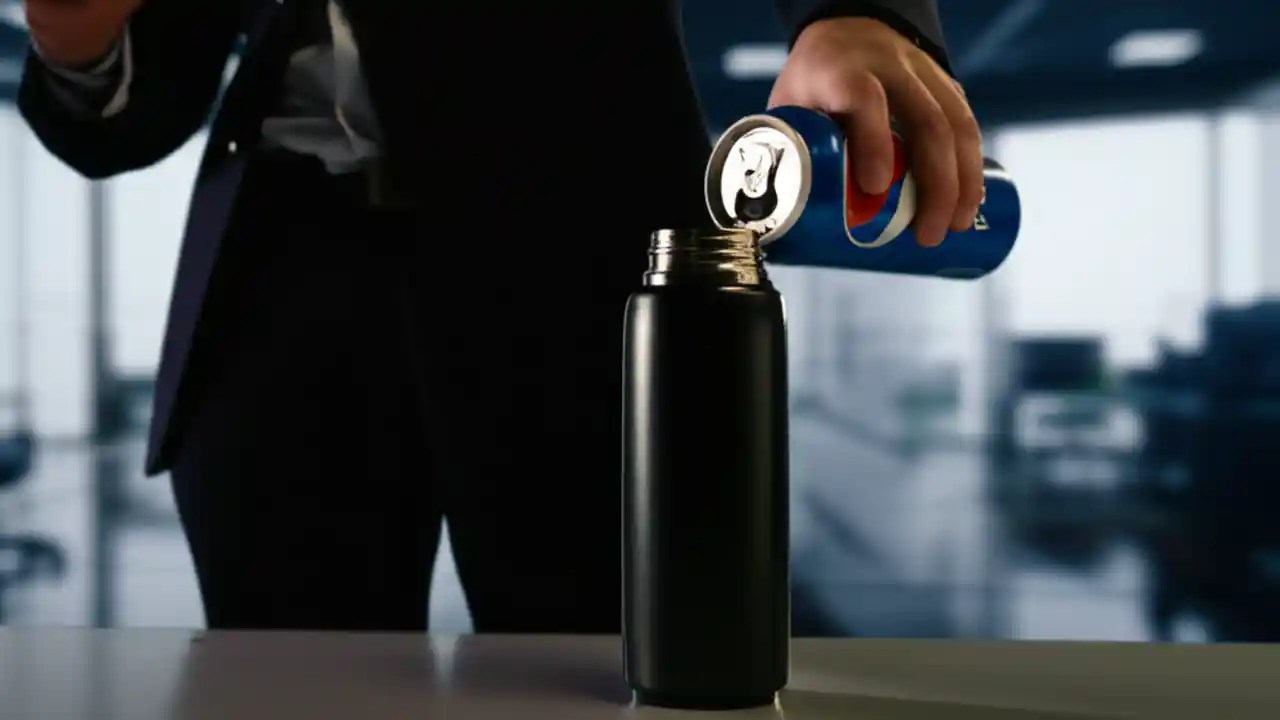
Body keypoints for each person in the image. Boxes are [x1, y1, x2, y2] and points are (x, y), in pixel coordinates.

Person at [18, 0, 982, 633]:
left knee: (615, 663)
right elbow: (145, 95)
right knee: (280, 682)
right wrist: (81, 49)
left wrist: (857, 12)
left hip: (578, 246)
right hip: (280, 268)